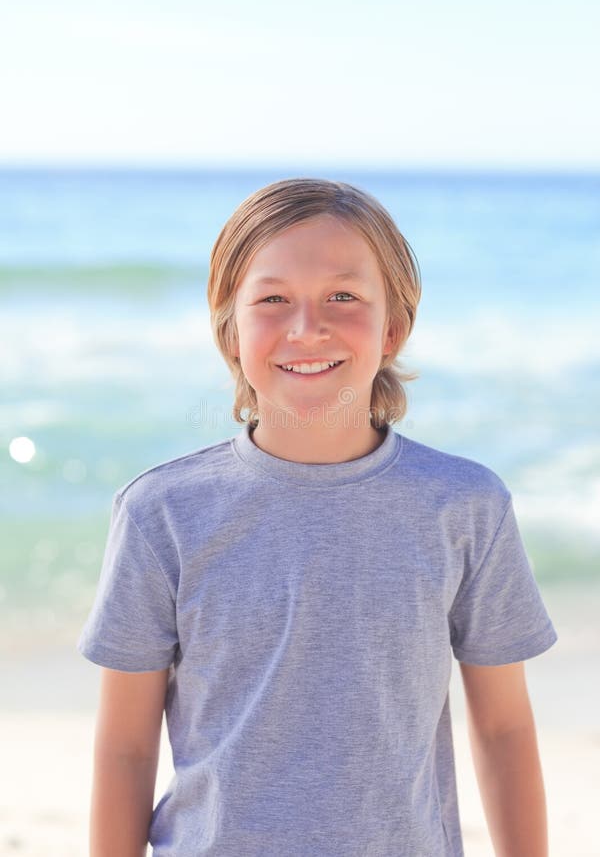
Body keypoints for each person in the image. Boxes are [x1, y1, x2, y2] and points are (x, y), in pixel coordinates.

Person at [78, 178, 557, 857]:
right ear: (231, 331)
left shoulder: (465, 506)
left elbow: (504, 728)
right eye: (273, 299)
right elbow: (126, 748)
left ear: (394, 327)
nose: (307, 328)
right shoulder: (162, 513)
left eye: (343, 297)